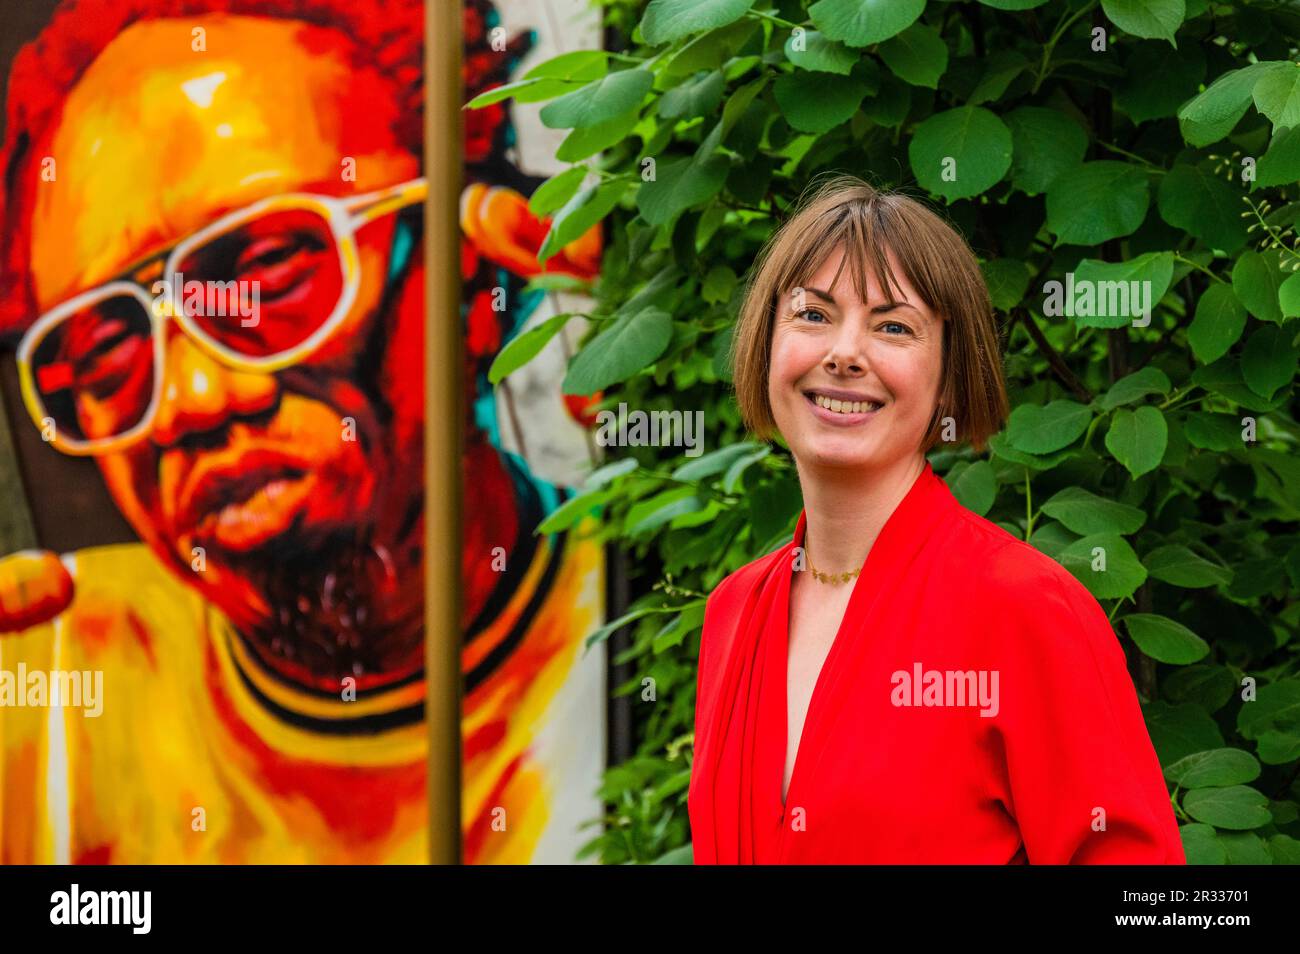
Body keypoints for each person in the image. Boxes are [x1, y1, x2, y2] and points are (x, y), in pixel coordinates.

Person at [0, 0, 601, 864]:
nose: (192, 398)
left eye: (271, 270)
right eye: (105, 351)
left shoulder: (681, 619)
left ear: (469, 265)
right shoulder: (48, 686)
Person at [687, 174, 1186, 864]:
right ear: (765, 342)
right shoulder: (734, 611)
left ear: (951, 375)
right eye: (812, 314)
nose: (844, 351)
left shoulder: (1023, 608)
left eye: (893, 326)